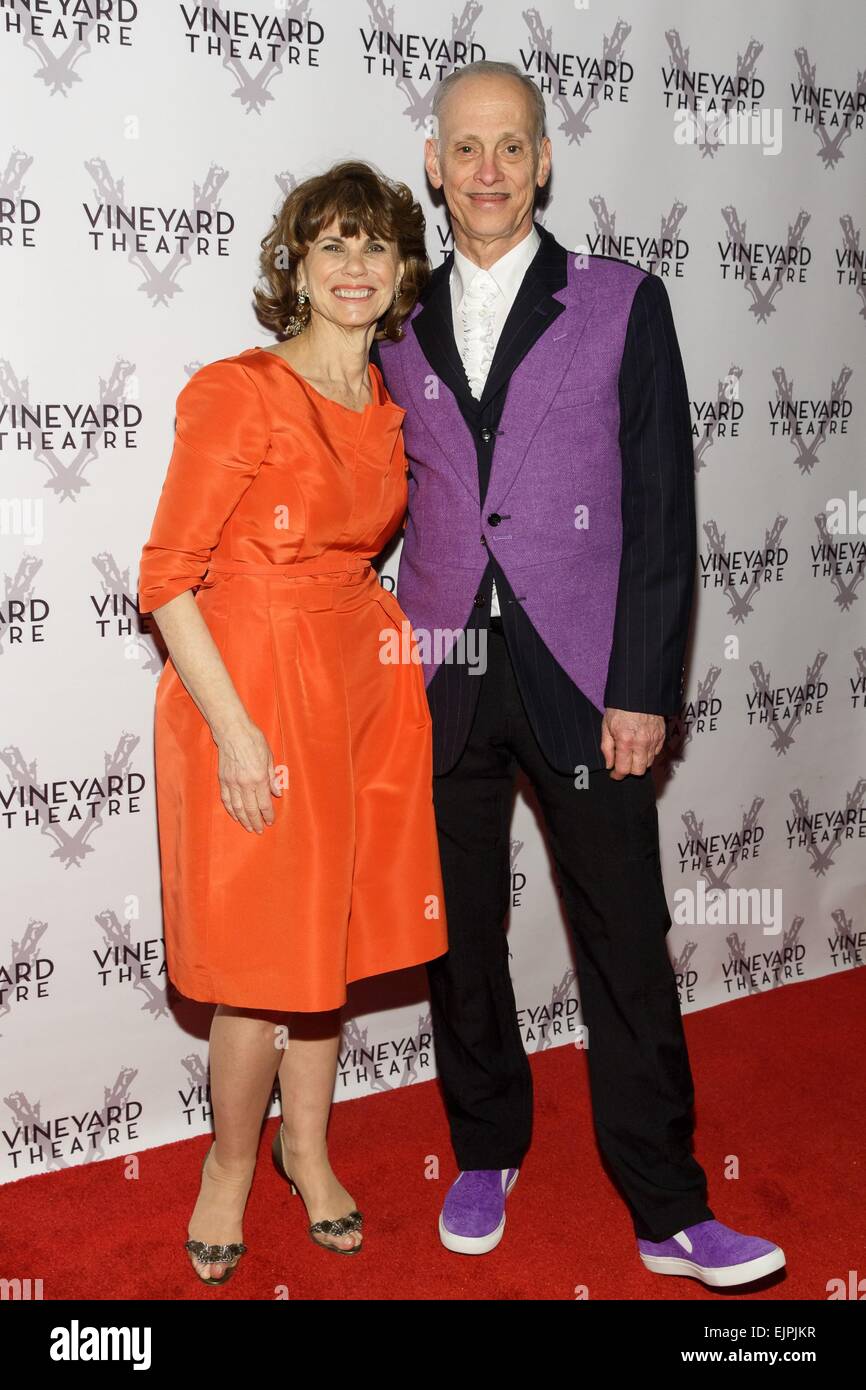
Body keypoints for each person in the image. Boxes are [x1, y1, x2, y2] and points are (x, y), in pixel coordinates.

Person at [371, 61, 785, 1289]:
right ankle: (485, 1144)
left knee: (623, 938)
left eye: (511, 146)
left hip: (580, 665)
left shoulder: (617, 299)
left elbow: (661, 506)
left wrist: (644, 683)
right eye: (465, 147)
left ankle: (666, 1203)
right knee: (460, 934)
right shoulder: (389, 319)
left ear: (543, 162)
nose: (488, 169)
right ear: (434, 165)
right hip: (442, 664)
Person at [137, 160, 447, 1284]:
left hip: (356, 694)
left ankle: (306, 1151)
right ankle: (229, 1164)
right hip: (251, 691)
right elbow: (167, 577)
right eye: (331, 245)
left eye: (374, 245)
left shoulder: (389, 405)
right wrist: (237, 732)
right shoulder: (239, 392)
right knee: (261, 966)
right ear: (296, 267)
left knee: (330, 950)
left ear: (402, 268)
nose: (354, 264)